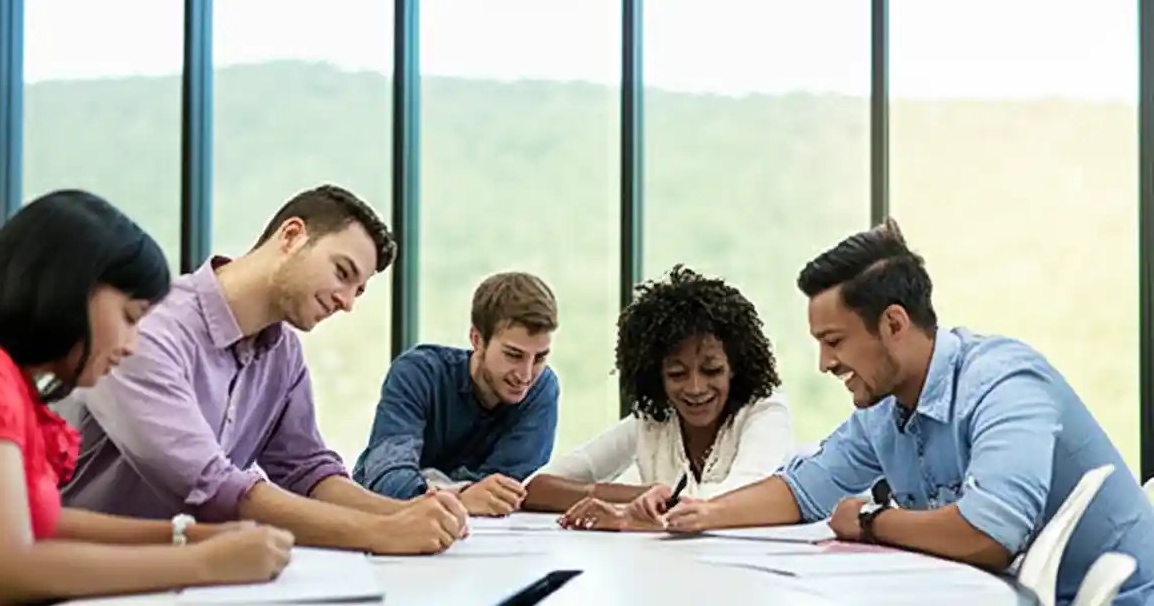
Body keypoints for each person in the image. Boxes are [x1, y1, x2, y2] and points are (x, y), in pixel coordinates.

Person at [652, 219, 1154, 605]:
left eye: (834, 342)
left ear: (894, 323)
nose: (825, 363)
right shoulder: (885, 406)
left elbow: (990, 534)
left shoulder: (1004, 384)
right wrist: (696, 515)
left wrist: (872, 520)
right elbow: (803, 489)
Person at [0, 190, 294, 606]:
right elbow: (4, 571)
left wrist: (190, 536)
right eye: (130, 318)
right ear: (69, 290)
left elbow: (41, 521)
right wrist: (206, 563)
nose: (132, 344)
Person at [56, 184, 468, 555]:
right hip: (81, 580)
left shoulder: (283, 352)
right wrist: (381, 531)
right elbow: (208, 485)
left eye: (358, 290)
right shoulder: (151, 328)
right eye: (343, 273)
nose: (347, 302)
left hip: (192, 577)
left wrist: (408, 512)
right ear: (290, 237)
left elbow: (306, 468)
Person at [523, 265, 793, 528]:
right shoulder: (655, 420)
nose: (696, 387)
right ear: (655, 376)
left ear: (736, 367)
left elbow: (736, 499)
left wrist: (633, 514)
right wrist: (638, 495)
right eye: (677, 374)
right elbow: (536, 487)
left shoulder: (766, 412)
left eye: (712, 370)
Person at [353, 272, 560, 516]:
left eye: (540, 357)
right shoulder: (417, 373)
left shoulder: (542, 388)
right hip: (386, 521)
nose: (526, 375)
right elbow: (385, 478)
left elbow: (507, 492)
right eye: (513, 355)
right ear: (477, 340)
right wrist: (461, 496)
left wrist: (453, 493)